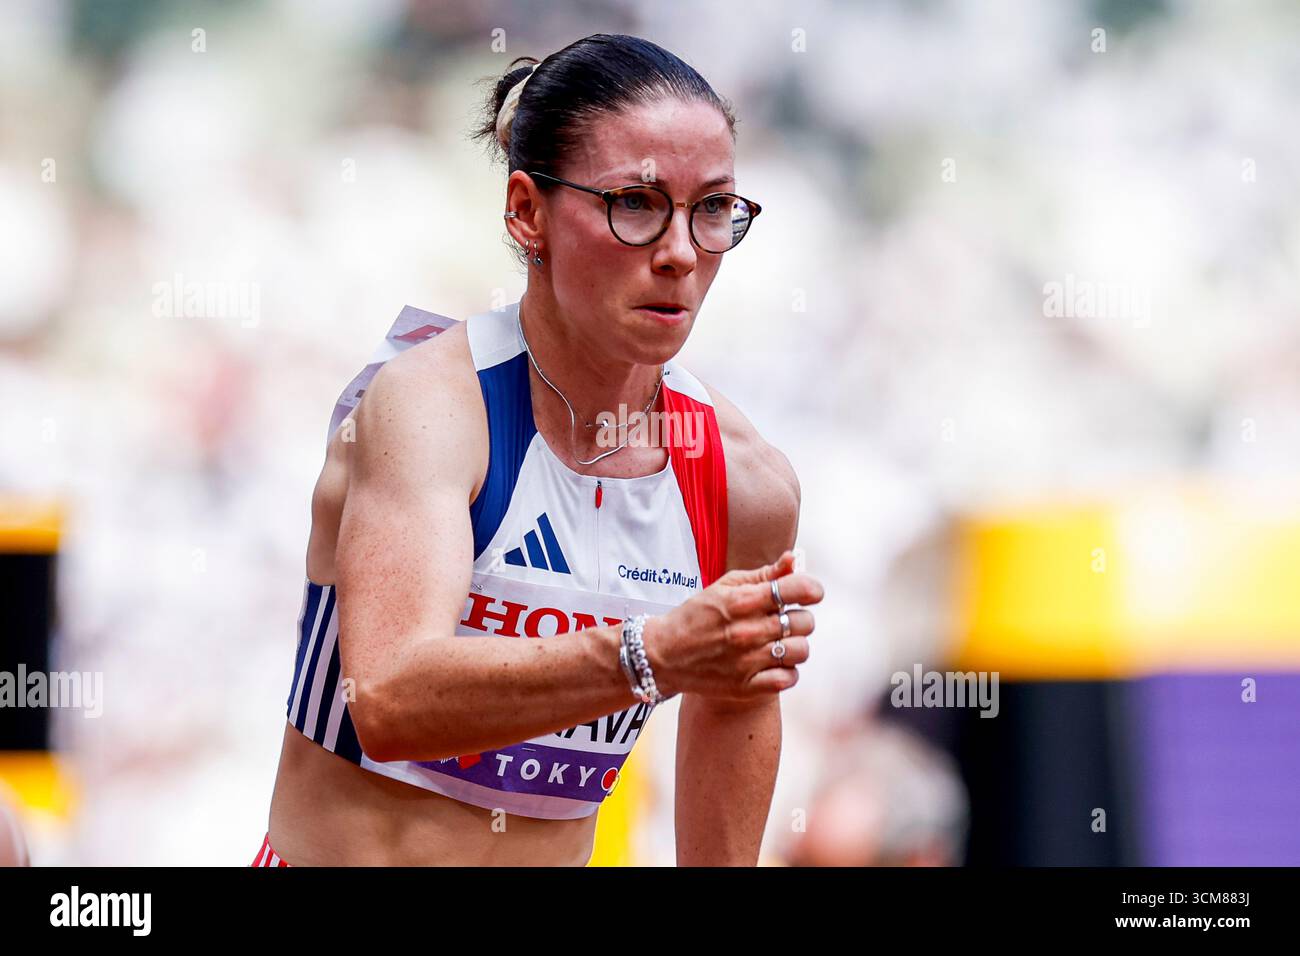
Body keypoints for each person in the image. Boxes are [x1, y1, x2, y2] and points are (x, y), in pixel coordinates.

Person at [255, 33, 823, 867]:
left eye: (712, 209)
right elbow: (386, 698)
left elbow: (734, 705)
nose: (678, 252)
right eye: (636, 203)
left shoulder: (745, 479)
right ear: (527, 212)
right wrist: (650, 652)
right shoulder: (430, 406)